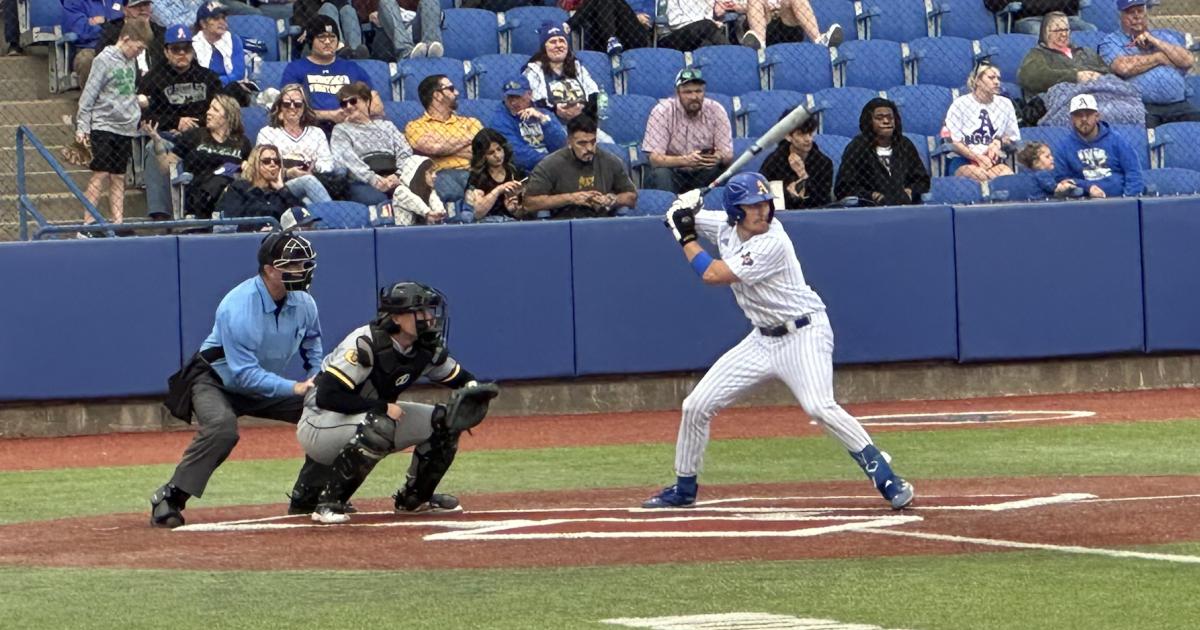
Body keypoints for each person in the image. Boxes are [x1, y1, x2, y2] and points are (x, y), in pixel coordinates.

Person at [643, 172, 916, 510]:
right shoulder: (726, 226)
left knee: (819, 406)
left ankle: (885, 475)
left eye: (765, 204)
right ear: (736, 212)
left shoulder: (772, 241)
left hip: (804, 333)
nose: (762, 212)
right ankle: (684, 487)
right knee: (695, 405)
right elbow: (683, 219)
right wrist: (682, 208)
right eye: (752, 207)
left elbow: (713, 273)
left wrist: (683, 236)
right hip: (762, 339)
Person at [151, 230, 324, 528]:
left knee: (327, 413)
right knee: (222, 428)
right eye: (293, 266)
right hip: (215, 380)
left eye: (304, 264)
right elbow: (244, 374)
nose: (303, 271)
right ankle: (170, 496)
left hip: (262, 380)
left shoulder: (304, 303)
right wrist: (295, 387)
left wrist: (316, 378)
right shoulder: (239, 306)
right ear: (270, 270)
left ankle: (309, 494)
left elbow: (313, 343)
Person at [294, 282, 500, 523]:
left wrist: (475, 392)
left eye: (430, 311)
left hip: (366, 419)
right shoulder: (365, 343)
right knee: (380, 424)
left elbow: (461, 379)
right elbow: (327, 396)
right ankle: (330, 503)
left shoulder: (424, 347)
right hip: (319, 423)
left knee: (445, 421)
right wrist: (380, 407)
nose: (429, 318)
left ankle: (415, 499)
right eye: (420, 312)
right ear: (397, 318)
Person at [74, 18, 152, 234]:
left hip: (125, 127)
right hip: (104, 125)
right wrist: (83, 128)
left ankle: (117, 223)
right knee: (100, 173)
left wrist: (137, 101)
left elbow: (123, 91)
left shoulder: (131, 61)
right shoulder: (104, 60)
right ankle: (87, 223)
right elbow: (89, 95)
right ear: (126, 39)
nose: (139, 53)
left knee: (118, 176)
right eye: (138, 47)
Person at [138, 24, 223, 219]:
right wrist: (176, 122)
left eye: (186, 48)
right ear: (166, 51)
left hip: (203, 134)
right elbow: (145, 116)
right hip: (169, 136)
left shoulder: (209, 78)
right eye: (176, 49)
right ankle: (161, 214)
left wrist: (197, 124)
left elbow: (222, 110)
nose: (182, 53)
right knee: (154, 148)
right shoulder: (152, 79)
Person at [331, 81, 441, 223]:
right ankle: (426, 215)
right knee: (383, 196)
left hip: (396, 172)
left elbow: (404, 150)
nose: (348, 107)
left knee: (417, 170)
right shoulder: (341, 130)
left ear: (366, 101)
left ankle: (435, 215)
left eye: (353, 101)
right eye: (343, 104)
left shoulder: (386, 126)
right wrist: (374, 179)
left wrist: (398, 174)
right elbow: (348, 159)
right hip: (367, 178)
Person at [145, 93, 253, 218]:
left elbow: (249, 171)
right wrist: (157, 142)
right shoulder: (195, 135)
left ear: (228, 117)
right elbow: (165, 167)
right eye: (209, 108)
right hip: (200, 192)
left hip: (231, 191)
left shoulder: (242, 142)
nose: (208, 112)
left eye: (215, 110)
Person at [1098, 0, 1200, 128]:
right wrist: (1159, 58)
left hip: (1179, 104)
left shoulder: (1163, 36)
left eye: (1140, 11)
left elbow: (1188, 60)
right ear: (1121, 16)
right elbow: (1123, 68)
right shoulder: (1112, 41)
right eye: (1131, 12)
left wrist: (1155, 41)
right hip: (1142, 108)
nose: (1137, 16)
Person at [281, 15, 385, 130]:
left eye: (332, 37)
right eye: (321, 37)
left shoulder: (352, 67)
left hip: (352, 126)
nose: (327, 42)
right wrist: (330, 115)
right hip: (312, 128)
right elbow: (289, 108)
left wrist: (353, 114)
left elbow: (377, 105)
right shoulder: (296, 68)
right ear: (311, 40)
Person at [524, 115, 638, 219]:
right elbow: (529, 203)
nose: (589, 148)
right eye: (582, 143)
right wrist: (570, 198)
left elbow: (631, 197)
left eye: (593, 142)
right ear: (569, 142)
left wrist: (611, 200)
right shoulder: (549, 165)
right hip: (563, 224)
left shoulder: (611, 161)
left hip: (602, 223)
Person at [642, 68, 734, 194]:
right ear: (677, 93)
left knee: (722, 169)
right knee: (660, 173)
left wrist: (717, 157)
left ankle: (713, 210)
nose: (694, 97)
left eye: (698, 91)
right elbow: (655, 159)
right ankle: (665, 211)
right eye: (688, 92)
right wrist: (686, 160)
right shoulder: (662, 111)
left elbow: (727, 154)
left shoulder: (716, 110)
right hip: (672, 171)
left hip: (702, 171)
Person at [834, 98, 930, 206]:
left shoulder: (905, 145)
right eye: (879, 118)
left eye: (890, 117)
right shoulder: (857, 147)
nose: (886, 121)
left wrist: (910, 191)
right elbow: (843, 186)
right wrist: (872, 195)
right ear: (869, 121)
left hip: (904, 206)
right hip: (870, 209)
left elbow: (922, 180)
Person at [257, 83, 342, 202]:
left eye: (297, 104)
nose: (292, 107)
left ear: (304, 108)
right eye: (287, 104)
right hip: (280, 183)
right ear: (280, 107)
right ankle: (334, 218)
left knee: (307, 200)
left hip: (313, 179)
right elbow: (261, 166)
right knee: (308, 182)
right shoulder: (267, 133)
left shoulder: (316, 133)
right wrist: (288, 172)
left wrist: (313, 168)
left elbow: (327, 163)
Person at [404, 74, 482, 204]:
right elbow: (432, 148)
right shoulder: (415, 126)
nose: (456, 93)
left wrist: (443, 149)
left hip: (474, 171)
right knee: (450, 189)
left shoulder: (471, 122)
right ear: (437, 95)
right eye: (451, 89)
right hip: (442, 174)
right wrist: (470, 138)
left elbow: (482, 152)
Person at [215, 144, 331, 227]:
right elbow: (229, 223)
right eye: (266, 161)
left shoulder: (280, 193)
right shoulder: (239, 188)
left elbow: (302, 217)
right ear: (255, 165)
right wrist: (257, 229)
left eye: (276, 161)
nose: (273, 164)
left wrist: (282, 189)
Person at [1052, 93, 1144, 198]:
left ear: (1097, 116)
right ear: (1072, 119)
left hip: (1118, 200)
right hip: (1083, 205)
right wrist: (1088, 187)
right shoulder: (1064, 147)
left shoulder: (1117, 140)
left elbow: (1133, 172)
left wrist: (1128, 199)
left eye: (1088, 114)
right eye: (1079, 115)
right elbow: (1063, 181)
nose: (1084, 119)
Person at [942, 63, 1021, 183]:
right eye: (991, 78)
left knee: (1007, 177)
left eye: (998, 78)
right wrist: (977, 158)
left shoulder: (1005, 104)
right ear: (977, 81)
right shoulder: (960, 104)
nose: (997, 82)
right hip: (963, 159)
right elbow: (954, 141)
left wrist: (998, 142)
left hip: (993, 161)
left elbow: (1012, 137)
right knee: (981, 176)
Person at [522, 22, 603, 127]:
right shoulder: (533, 71)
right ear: (544, 48)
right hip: (551, 126)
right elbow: (532, 101)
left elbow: (594, 93)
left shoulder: (577, 67)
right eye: (553, 42)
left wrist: (582, 109)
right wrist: (555, 110)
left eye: (562, 41)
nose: (558, 45)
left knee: (607, 141)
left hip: (582, 125)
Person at [1017, 12, 1111, 99]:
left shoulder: (1085, 52)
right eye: (1057, 30)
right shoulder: (1037, 54)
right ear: (1045, 33)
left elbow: (1107, 71)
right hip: (1065, 101)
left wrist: (1094, 75)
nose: (1063, 34)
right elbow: (1031, 77)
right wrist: (1075, 76)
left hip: (1099, 95)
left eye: (1066, 29)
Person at [488, 75, 567, 174]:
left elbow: (562, 144)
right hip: (527, 172)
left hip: (555, 166)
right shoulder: (499, 121)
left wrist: (544, 121)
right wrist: (554, 162)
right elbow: (517, 155)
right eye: (509, 98)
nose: (513, 102)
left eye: (517, 97)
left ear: (529, 94)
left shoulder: (544, 113)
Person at [760, 113, 833, 209]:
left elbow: (823, 200)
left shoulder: (824, 163)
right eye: (801, 134)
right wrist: (787, 194)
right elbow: (762, 192)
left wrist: (803, 174)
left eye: (810, 133)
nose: (808, 139)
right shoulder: (774, 162)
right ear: (788, 136)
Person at [63, 0, 128, 91]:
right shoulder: (74, 2)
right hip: (91, 47)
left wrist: (104, 23)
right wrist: (112, 27)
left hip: (119, 45)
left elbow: (128, 22)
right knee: (85, 59)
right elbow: (82, 31)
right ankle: (93, 101)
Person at [465, 128, 526, 222]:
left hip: (512, 222)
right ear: (482, 156)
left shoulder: (514, 171)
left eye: (499, 149)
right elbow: (478, 213)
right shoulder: (477, 177)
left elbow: (525, 212)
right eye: (491, 153)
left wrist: (514, 210)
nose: (497, 155)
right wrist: (499, 190)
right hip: (487, 223)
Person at [351, 0, 445, 61]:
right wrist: (368, 16)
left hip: (412, 27)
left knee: (430, 1)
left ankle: (431, 47)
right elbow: (359, 12)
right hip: (387, 34)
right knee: (386, 2)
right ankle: (406, 52)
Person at [98, 0, 167, 79]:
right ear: (125, 9)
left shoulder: (159, 32)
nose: (143, 9)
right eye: (137, 5)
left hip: (152, 81)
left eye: (146, 4)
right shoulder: (112, 31)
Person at [191, 2, 251, 91]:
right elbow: (195, 77)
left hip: (230, 88)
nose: (222, 22)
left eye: (223, 18)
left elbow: (239, 74)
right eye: (216, 18)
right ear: (203, 23)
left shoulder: (233, 40)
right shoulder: (194, 44)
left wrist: (218, 81)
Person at [741, 0, 843, 49]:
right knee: (755, 1)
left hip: (787, 22)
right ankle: (759, 45)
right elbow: (731, 4)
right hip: (763, 23)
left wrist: (780, 4)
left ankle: (819, 40)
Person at [566, 0, 652, 53]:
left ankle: (569, 25)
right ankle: (611, 40)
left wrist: (635, 15)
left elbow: (649, 18)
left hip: (632, 33)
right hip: (602, 34)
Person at [292, 0, 367, 59]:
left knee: (348, 9)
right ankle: (338, 48)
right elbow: (299, 22)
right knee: (328, 7)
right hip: (316, 38)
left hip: (346, 42)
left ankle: (355, 51)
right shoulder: (302, 3)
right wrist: (306, 29)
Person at [985, 0, 1096, 36]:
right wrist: (1006, 7)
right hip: (1029, 19)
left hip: (1064, 17)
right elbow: (993, 3)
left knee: (1090, 30)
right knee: (1038, 31)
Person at [658, 0, 728, 52]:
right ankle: (730, 51)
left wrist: (718, 17)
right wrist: (706, 23)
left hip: (699, 36)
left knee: (707, 44)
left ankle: (730, 54)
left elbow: (708, 18)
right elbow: (674, 22)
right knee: (707, 25)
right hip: (672, 37)